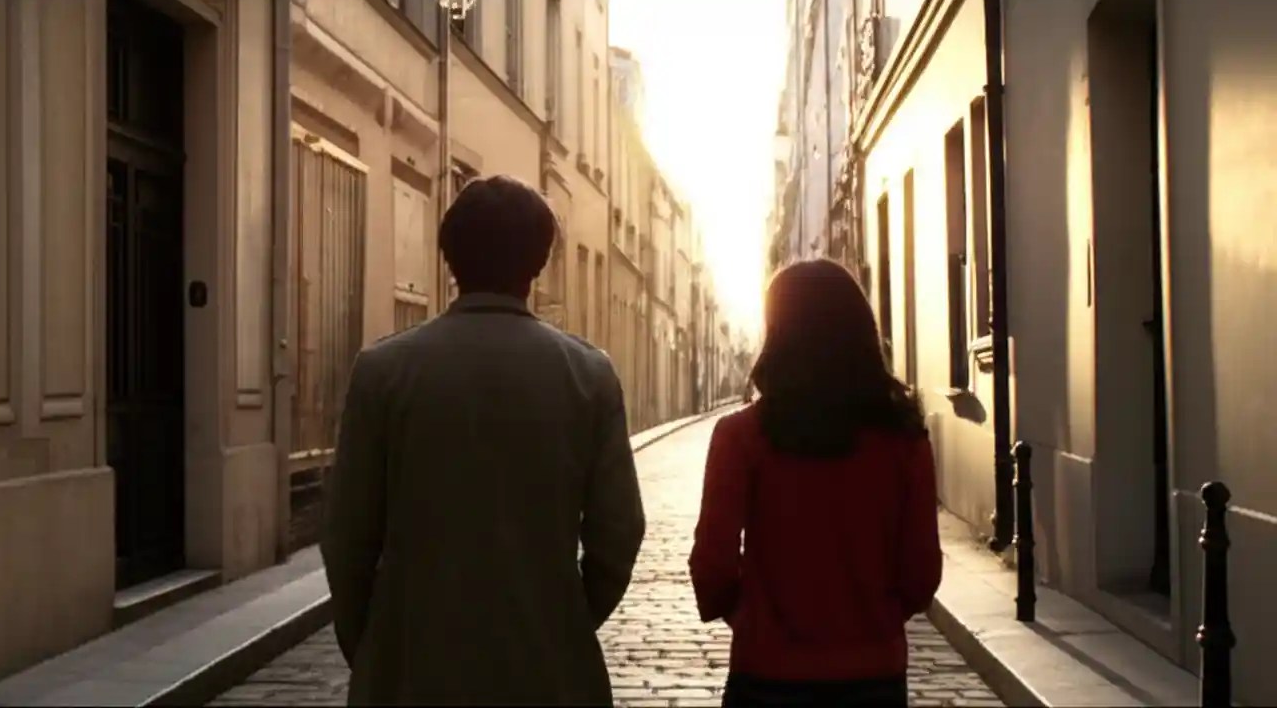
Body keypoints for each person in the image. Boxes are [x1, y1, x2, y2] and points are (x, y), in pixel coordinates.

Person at [321, 175, 646, 706]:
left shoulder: (383, 371)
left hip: (413, 670)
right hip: (548, 675)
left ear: (450, 256)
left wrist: (376, 644)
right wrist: (564, 620)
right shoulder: (588, 376)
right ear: (538, 263)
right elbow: (619, 533)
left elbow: (347, 536)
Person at [689, 258, 941, 707]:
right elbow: (921, 572)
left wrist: (751, 620)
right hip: (873, 678)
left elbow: (712, 564)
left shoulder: (741, 436)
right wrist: (873, 622)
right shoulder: (904, 437)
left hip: (767, 675)